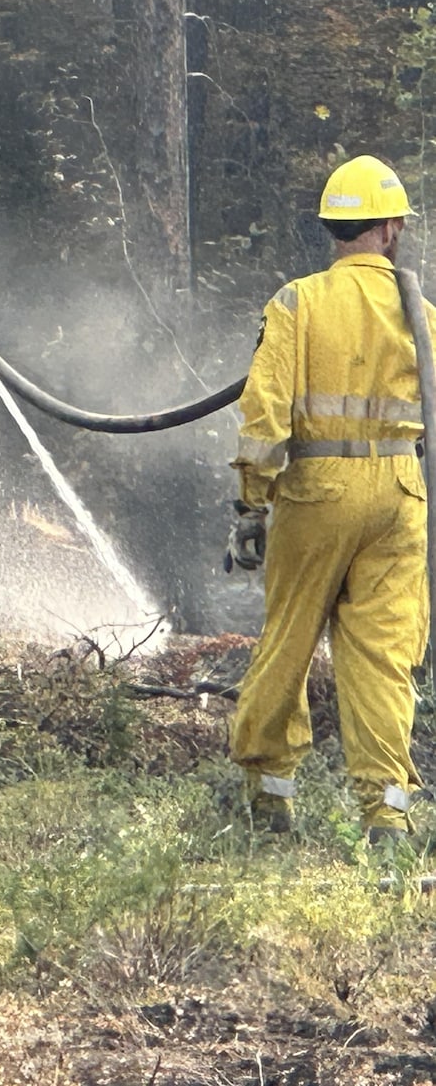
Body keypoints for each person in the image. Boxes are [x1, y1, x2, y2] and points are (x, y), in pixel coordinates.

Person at [226, 154, 435, 844]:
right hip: (399, 496)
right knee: (381, 655)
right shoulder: (422, 313)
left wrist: (250, 502)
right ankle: (384, 811)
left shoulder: (297, 301)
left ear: (333, 229)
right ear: (390, 229)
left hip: (316, 492)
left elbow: (264, 414)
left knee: (288, 638)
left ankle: (271, 797)